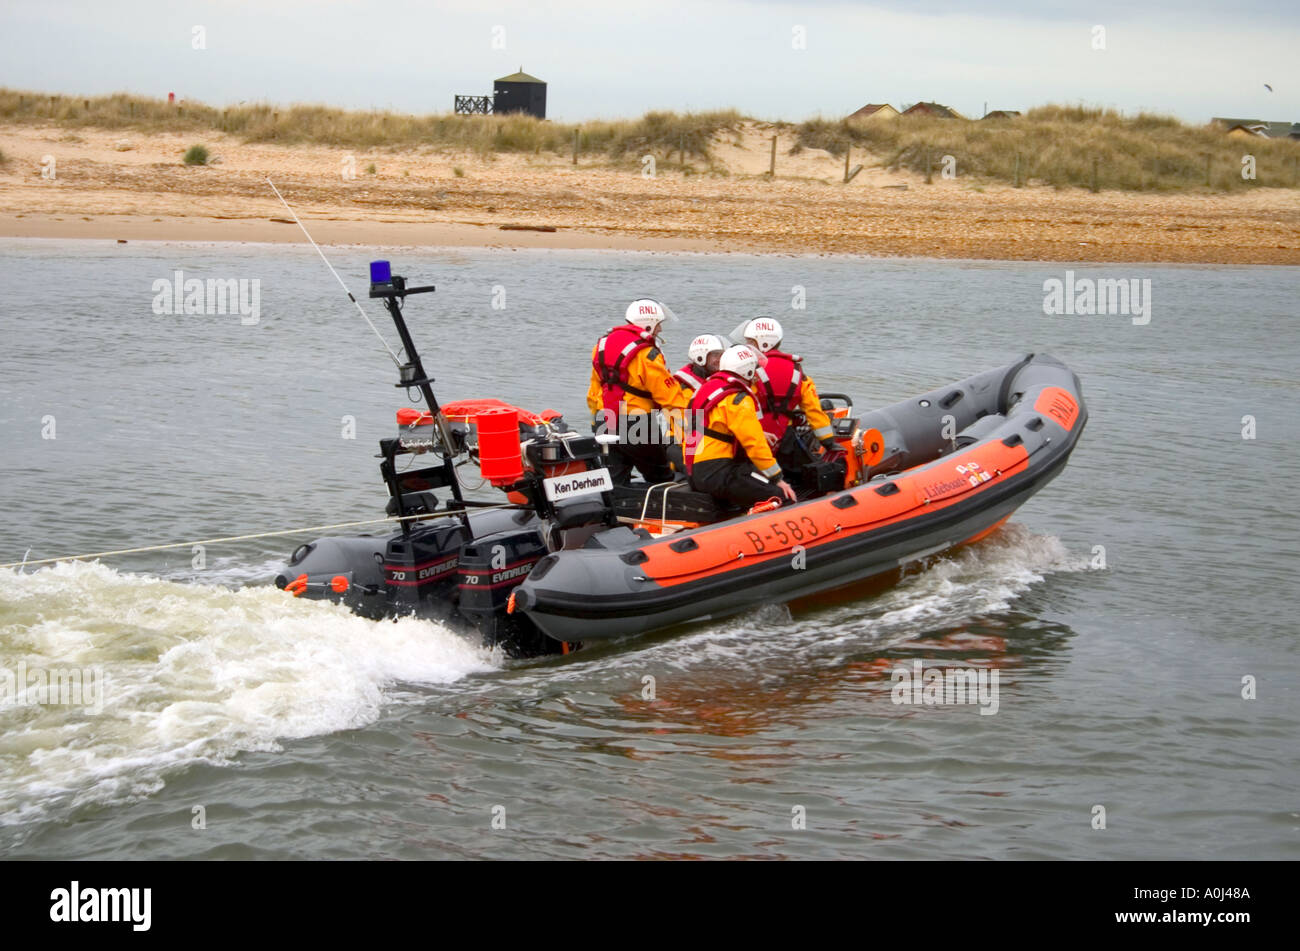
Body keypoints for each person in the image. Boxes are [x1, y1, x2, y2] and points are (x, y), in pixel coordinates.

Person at [587, 299, 690, 484]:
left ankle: (617, 512)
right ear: (649, 324)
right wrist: (690, 437)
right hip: (637, 423)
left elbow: (594, 392)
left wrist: (596, 421)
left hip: (604, 418)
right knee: (660, 477)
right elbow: (672, 399)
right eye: (658, 325)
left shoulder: (600, 347)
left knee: (615, 481)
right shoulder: (648, 355)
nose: (660, 330)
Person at [686, 344, 797, 509]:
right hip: (719, 471)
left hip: (695, 471)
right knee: (781, 496)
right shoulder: (738, 398)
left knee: (751, 481)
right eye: (755, 370)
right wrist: (777, 479)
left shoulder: (706, 389)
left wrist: (760, 433)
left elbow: (715, 427)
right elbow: (755, 445)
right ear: (747, 371)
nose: (757, 377)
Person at [741, 317, 837, 475]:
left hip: (754, 438)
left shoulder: (746, 370)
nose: (747, 346)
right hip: (785, 439)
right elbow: (813, 410)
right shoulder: (797, 372)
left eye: (750, 342)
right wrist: (828, 442)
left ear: (764, 343)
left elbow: (736, 406)